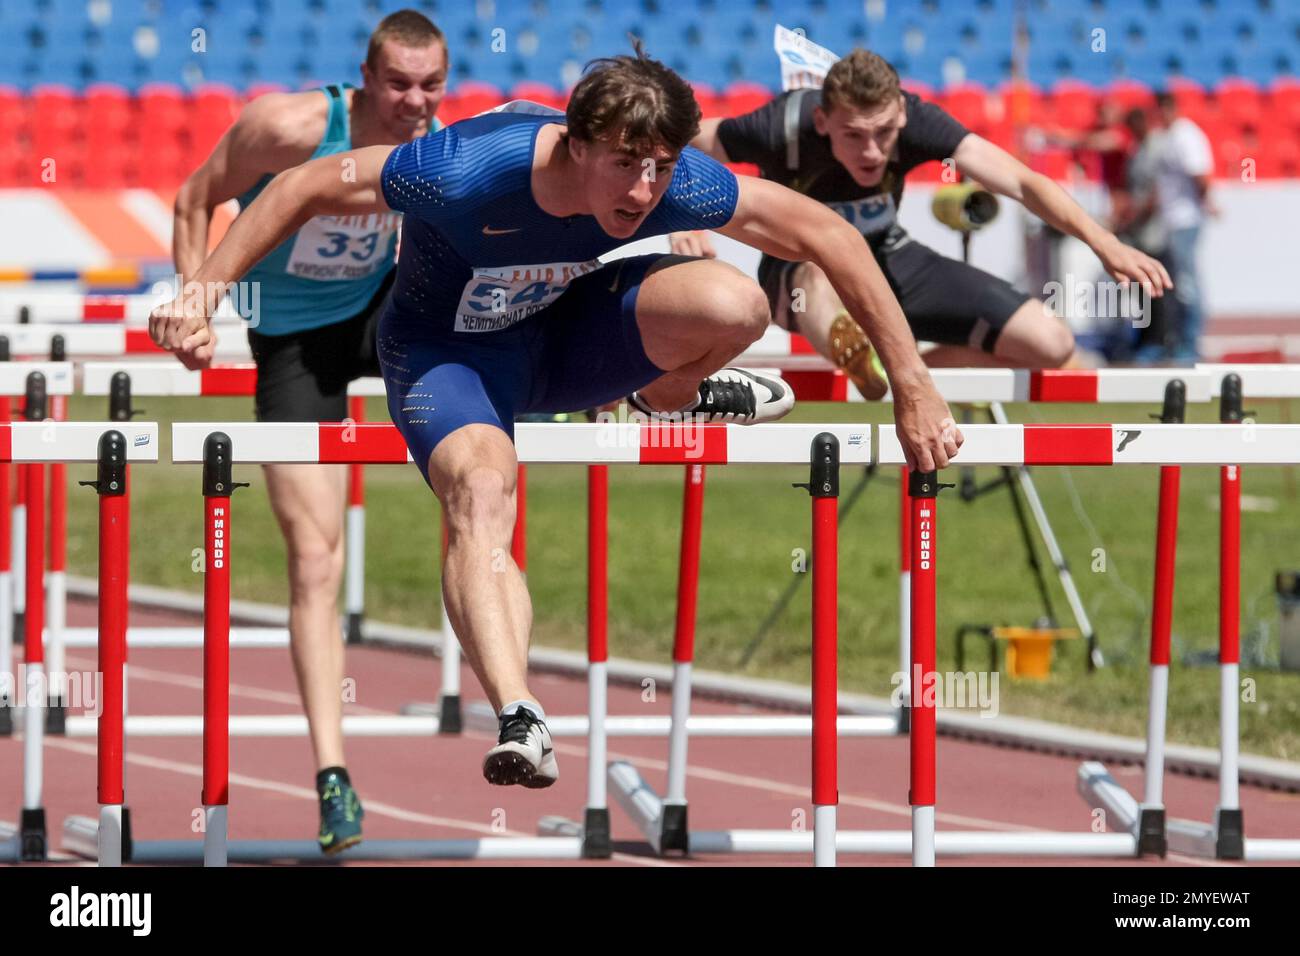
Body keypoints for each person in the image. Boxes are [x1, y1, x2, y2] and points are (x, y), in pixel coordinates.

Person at [152, 47, 963, 790]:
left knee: (736, 300)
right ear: (576, 145)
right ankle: (521, 714)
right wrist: (205, 290)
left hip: (566, 338)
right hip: (449, 353)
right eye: (624, 167)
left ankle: (666, 396)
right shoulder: (461, 170)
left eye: (659, 170)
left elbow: (823, 232)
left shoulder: (672, 180)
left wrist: (913, 382)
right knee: (480, 492)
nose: (644, 191)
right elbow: (304, 186)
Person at [169, 8, 449, 853]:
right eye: (398, 84)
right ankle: (334, 775)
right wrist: (195, 301)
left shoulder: (438, 144)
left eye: (431, 85)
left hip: (384, 314)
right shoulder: (288, 128)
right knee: (315, 554)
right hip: (293, 343)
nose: (415, 102)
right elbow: (193, 199)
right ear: (365, 79)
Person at [671, 50, 1171, 397]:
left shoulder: (918, 120)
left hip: (890, 256)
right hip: (801, 271)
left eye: (884, 133)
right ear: (823, 122)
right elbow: (672, 143)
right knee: (819, 268)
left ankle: (901, 378)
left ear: (901, 117)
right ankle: (867, 356)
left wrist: (1104, 242)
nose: (871, 151)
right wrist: (678, 215)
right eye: (854, 135)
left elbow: (1020, 182)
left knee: (1051, 343)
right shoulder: (783, 126)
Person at [1152, 91, 1216, 362]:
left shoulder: (1185, 136)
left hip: (1185, 219)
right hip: (1173, 220)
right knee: (1177, 283)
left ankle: (1191, 343)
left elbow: (1200, 174)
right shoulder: (1170, 137)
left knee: (1187, 282)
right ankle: (1177, 340)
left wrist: (1205, 201)